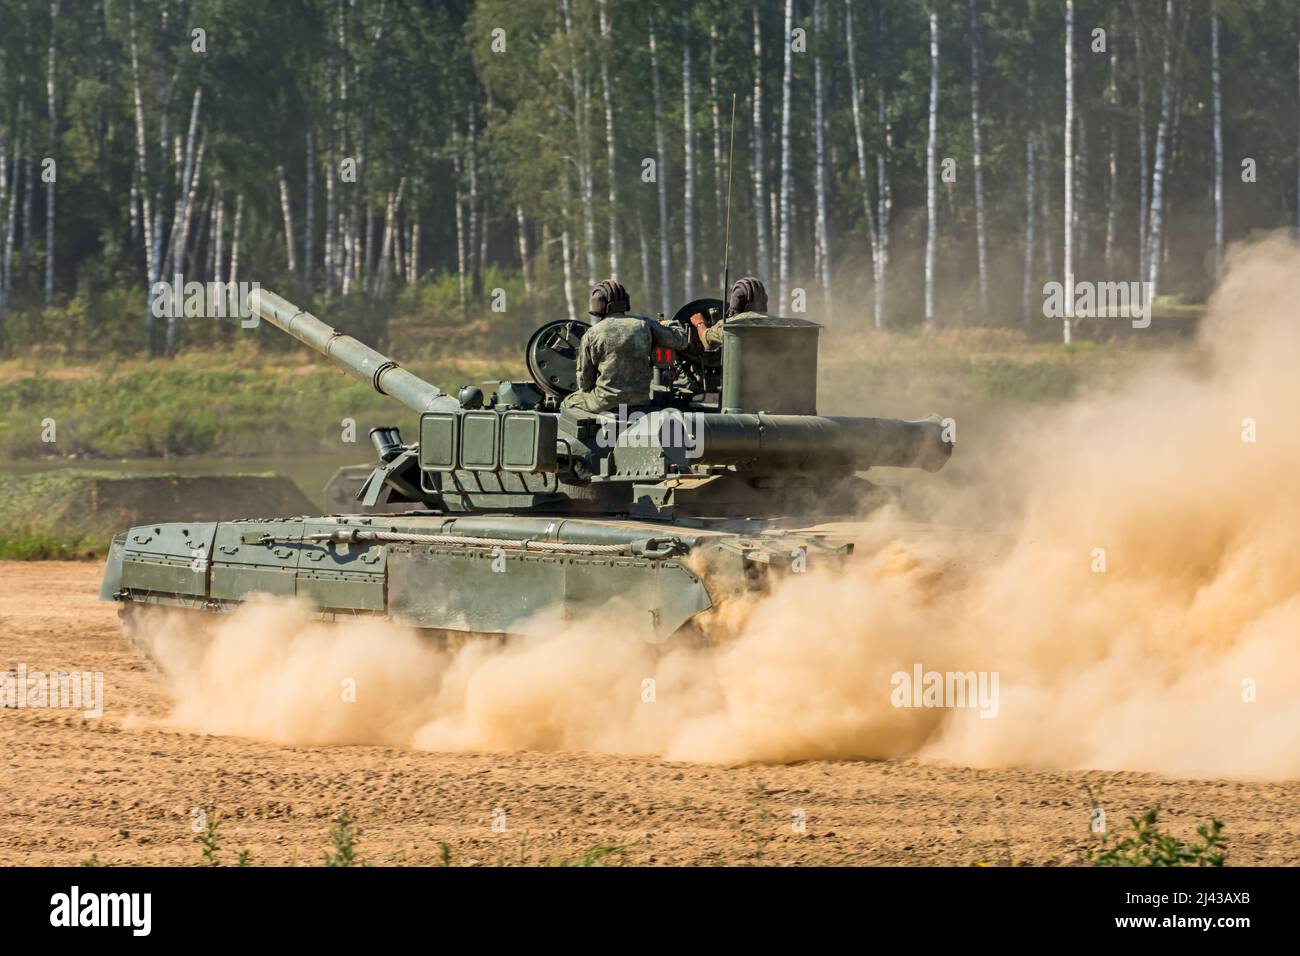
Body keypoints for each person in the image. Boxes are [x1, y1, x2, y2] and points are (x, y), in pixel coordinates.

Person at [561, 279, 691, 413]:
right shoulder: (644, 324)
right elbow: (681, 341)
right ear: (625, 302)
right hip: (640, 400)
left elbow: (584, 382)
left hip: (604, 403)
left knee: (567, 403)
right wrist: (668, 323)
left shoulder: (591, 334)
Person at [690, 276, 769, 351]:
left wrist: (699, 323)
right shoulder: (778, 324)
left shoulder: (730, 325)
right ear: (764, 299)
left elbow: (707, 340)